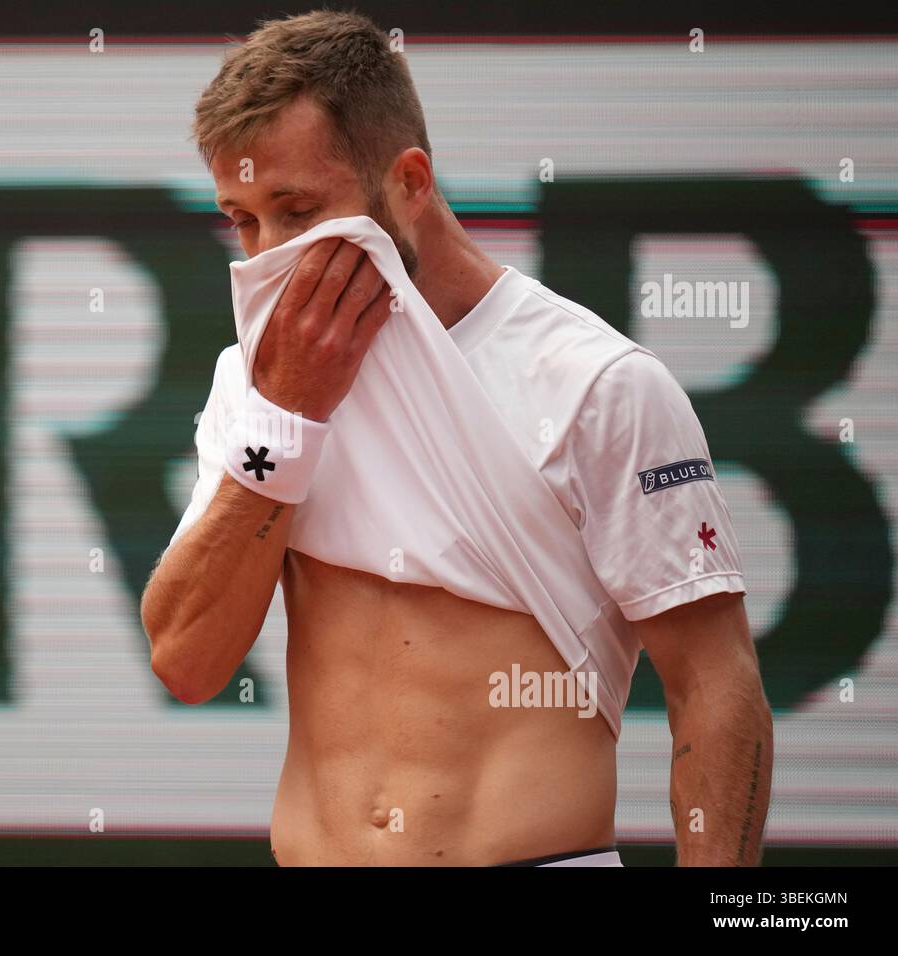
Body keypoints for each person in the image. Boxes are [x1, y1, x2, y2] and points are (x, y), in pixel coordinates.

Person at [140, 9, 772, 866]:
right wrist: (287, 417)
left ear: (409, 182)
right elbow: (186, 660)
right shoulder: (258, 379)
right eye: (243, 220)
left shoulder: (599, 383)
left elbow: (714, 684)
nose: (269, 257)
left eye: (296, 211)